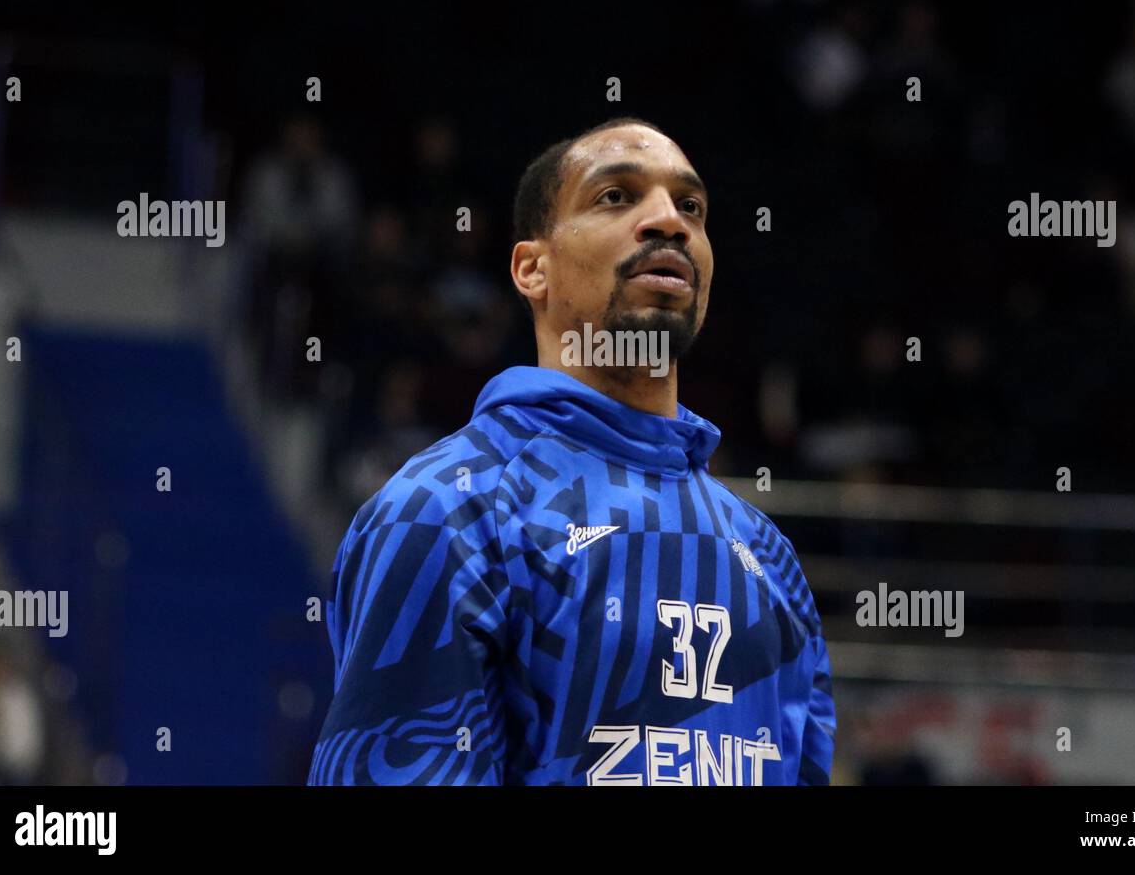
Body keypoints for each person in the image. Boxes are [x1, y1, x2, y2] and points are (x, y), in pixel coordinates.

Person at [309, 118, 835, 785]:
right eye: (616, 196)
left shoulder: (767, 554)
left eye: (691, 207)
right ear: (533, 268)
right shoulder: (445, 512)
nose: (668, 221)